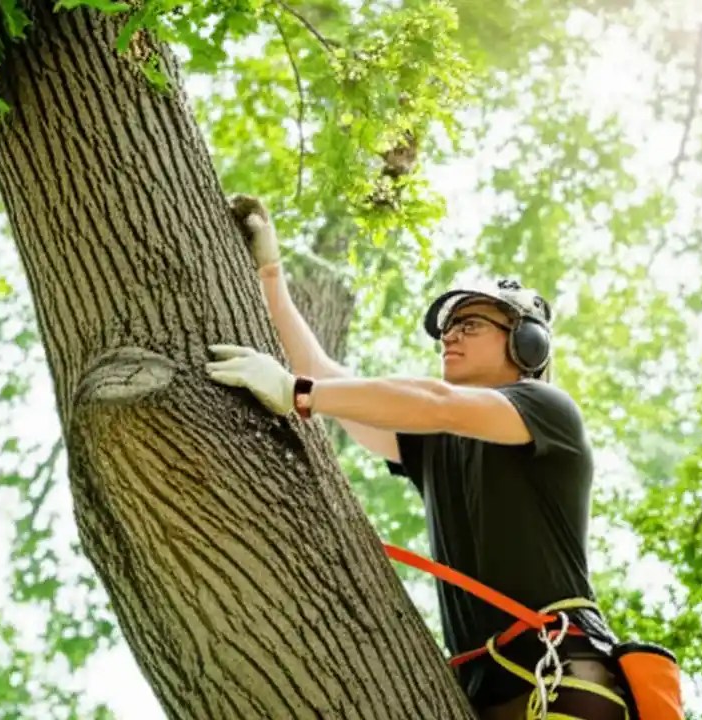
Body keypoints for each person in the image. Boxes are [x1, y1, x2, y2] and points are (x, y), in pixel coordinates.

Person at [206, 195, 628, 720]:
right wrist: (270, 277)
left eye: (470, 324)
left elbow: (432, 402)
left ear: (526, 345)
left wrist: (298, 393)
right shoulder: (434, 446)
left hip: (561, 681)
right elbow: (322, 371)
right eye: (448, 329)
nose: (450, 335)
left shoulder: (545, 410)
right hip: (481, 697)